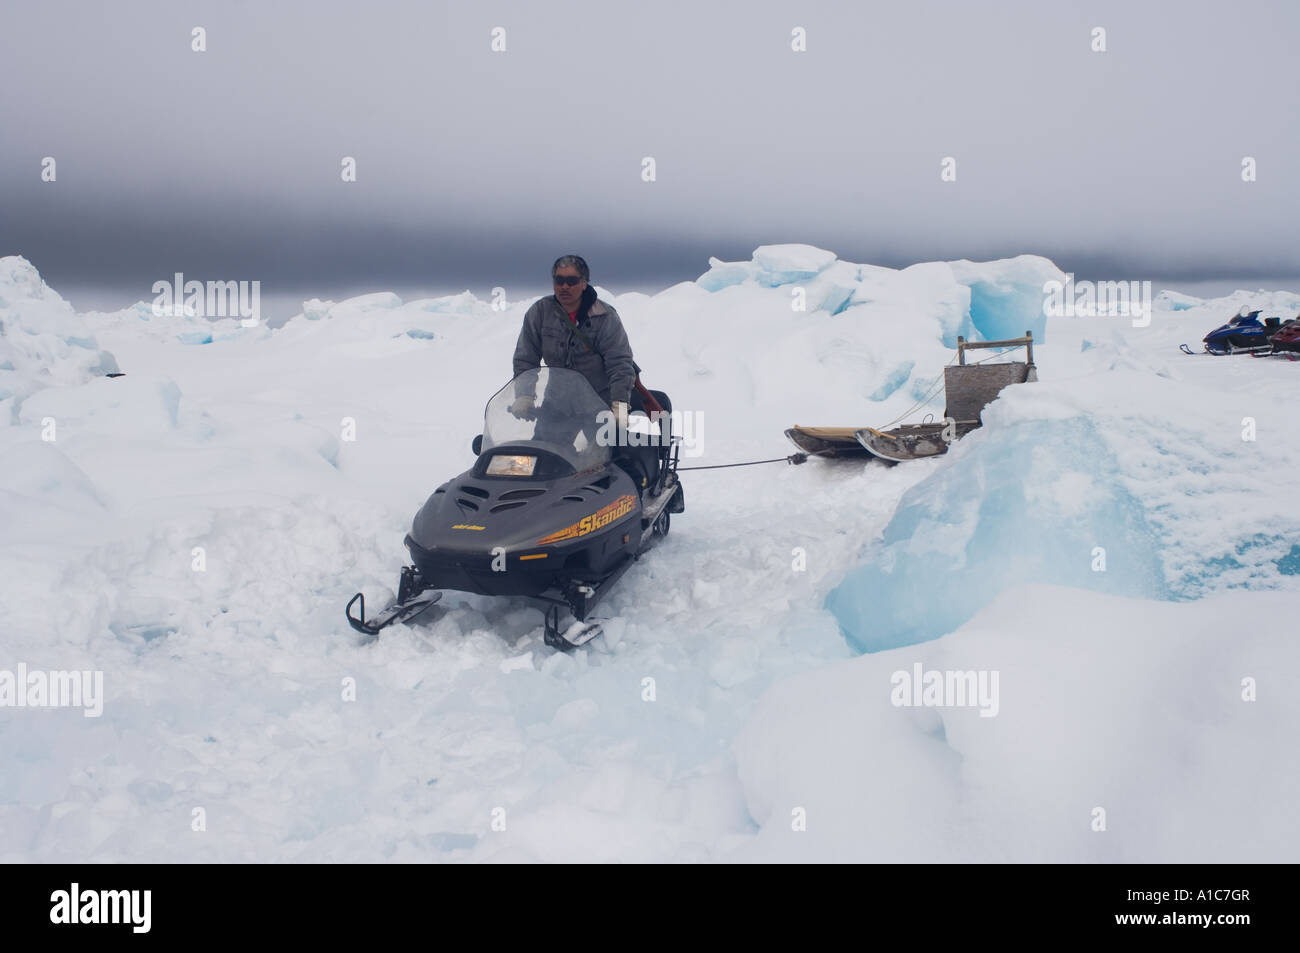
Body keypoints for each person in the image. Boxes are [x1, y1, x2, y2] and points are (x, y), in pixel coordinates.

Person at [511, 256, 635, 432]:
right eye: (559, 280)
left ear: (584, 283)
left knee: (604, 449)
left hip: (599, 405)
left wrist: (620, 404)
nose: (564, 286)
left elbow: (619, 362)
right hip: (557, 405)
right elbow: (525, 358)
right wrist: (524, 395)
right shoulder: (540, 313)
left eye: (571, 281)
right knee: (543, 449)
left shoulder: (604, 317)